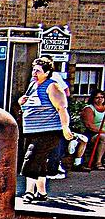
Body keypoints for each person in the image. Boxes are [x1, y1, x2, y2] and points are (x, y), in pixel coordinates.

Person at [18, 57, 75, 204]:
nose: (34, 73)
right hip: (32, 131)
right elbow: (29, 104)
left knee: (31, 159)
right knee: (40, 161)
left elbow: (62, 108)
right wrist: (21, 102)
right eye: (33, 69)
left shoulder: (52, 86)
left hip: (48, 131)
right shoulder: (33, 85)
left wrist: (65, 127)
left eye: (38, 70)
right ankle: (42, 193)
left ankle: (29, 192)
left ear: (47, 72)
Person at [81, 89, 105, 169]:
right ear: (93, 98)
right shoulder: (89, 109)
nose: (100, 99)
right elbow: (89, 125)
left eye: (102, 97)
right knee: (103, 137)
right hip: (93, 135)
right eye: (97, 97)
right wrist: (102, 131)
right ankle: (98, 162)